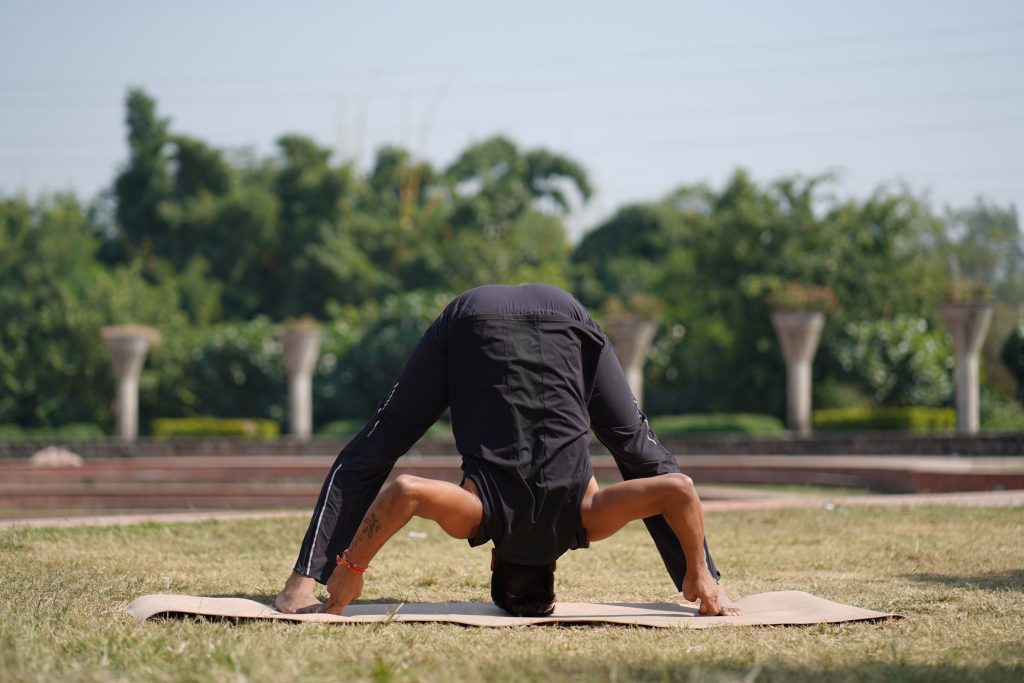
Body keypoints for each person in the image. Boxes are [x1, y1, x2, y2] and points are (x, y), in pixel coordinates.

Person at [275, 284, 740, 617]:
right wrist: (352, 569)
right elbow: (408, 492)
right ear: (494, 560)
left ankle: (705, 587)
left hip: (560, 315)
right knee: (639, 451)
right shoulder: (477, 517)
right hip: (493, 319)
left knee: (640, 453)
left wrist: (699, 570)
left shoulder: (589, 519)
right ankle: (300, 584)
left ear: (554, 566)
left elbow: (675, 489)